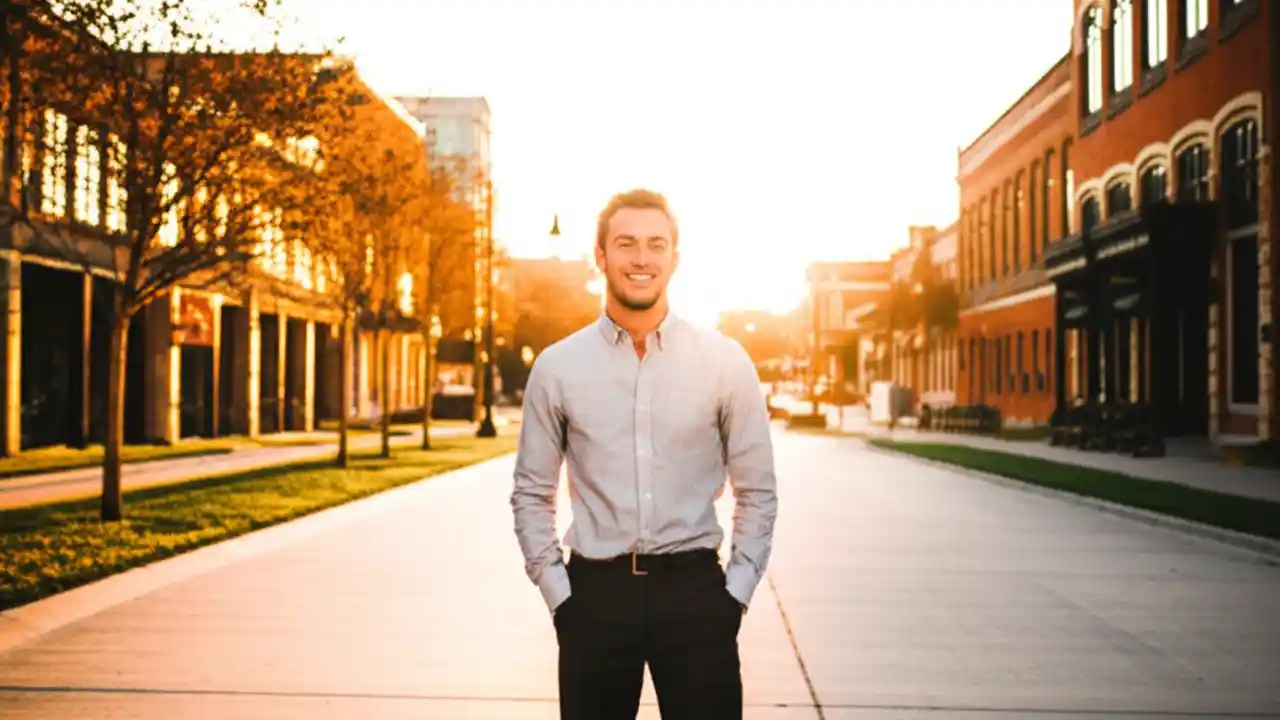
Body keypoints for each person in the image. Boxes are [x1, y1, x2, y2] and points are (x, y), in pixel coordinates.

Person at [510, 188, 779, 719]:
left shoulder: (724, 362)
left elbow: (758, 489)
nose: (641, 258)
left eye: (656, 245)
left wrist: (735, 596)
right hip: (595, 601)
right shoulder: (558, 367)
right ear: (601, 256)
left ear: (674, 259)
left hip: (698, 597)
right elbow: (530, 492)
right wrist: (561, 599)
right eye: (626, 243)